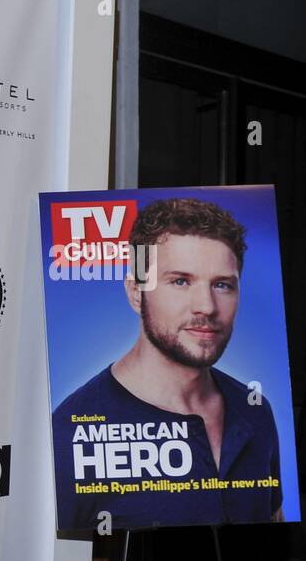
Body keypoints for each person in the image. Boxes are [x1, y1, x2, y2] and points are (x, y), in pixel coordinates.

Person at [52, 197, 285, 530]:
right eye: (180, 281)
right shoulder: (71, 433)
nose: (206, 306)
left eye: (222, 285)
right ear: (136, 292)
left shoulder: (256, 410)